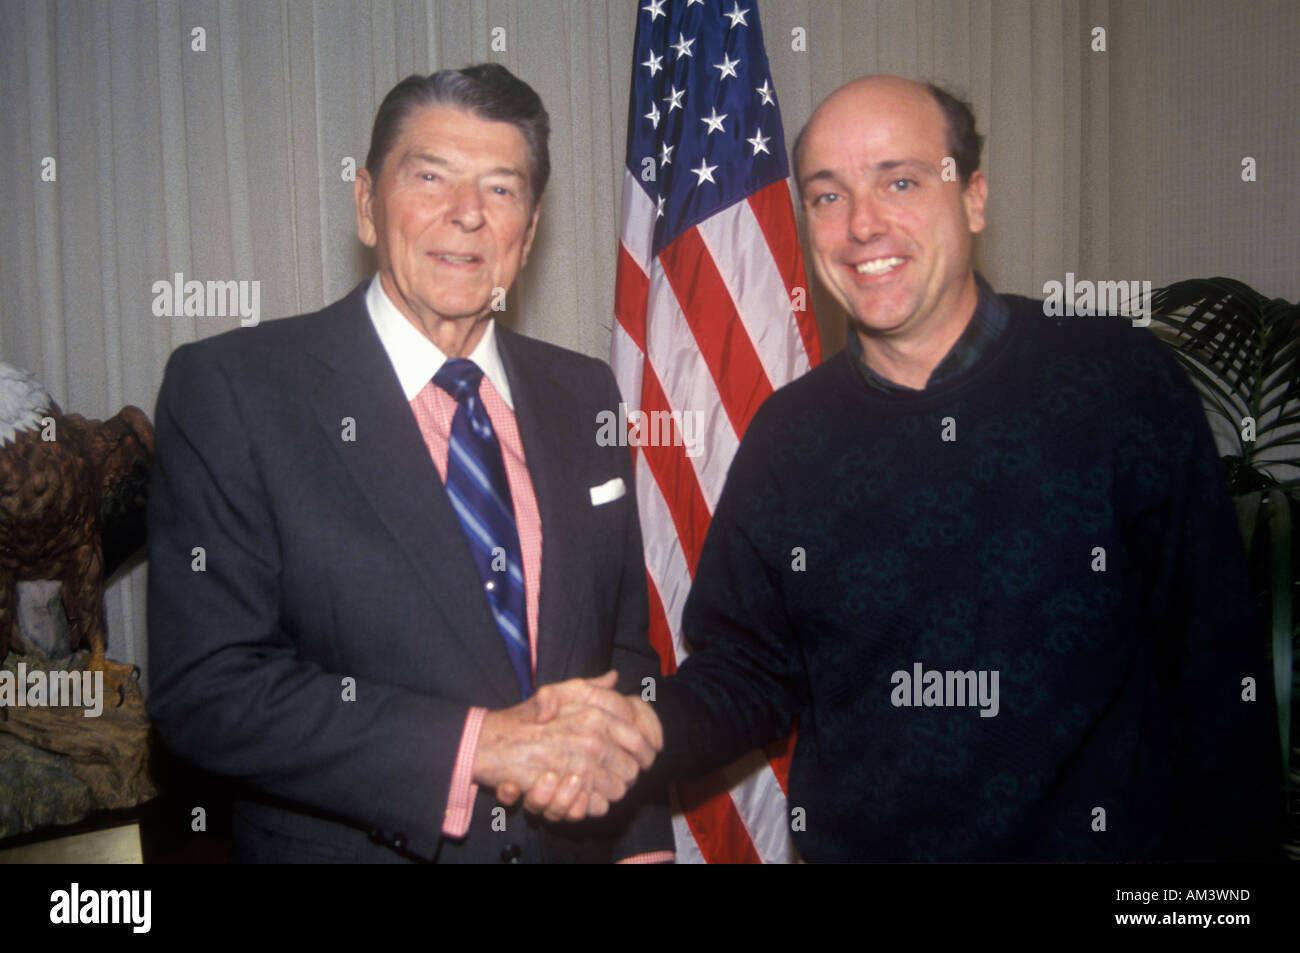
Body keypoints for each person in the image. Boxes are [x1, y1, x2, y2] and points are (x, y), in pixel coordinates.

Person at [512, 75, 1282, 862]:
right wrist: (644, 726)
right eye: (827, 196)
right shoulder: (788, 438)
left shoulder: (1121, 384)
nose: (863, 225)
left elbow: (1216, 675)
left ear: (974, 198)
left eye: (901, 182)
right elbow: (747, 672)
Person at [147, 64, 671, 864]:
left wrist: (641, 846)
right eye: (430, 177)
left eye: (501, 190)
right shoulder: (235, 389)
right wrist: (477, 748)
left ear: (528, 233)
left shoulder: (584, 390)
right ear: (366, 205)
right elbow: (208, 688)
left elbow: (621, 648)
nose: (466, 215)